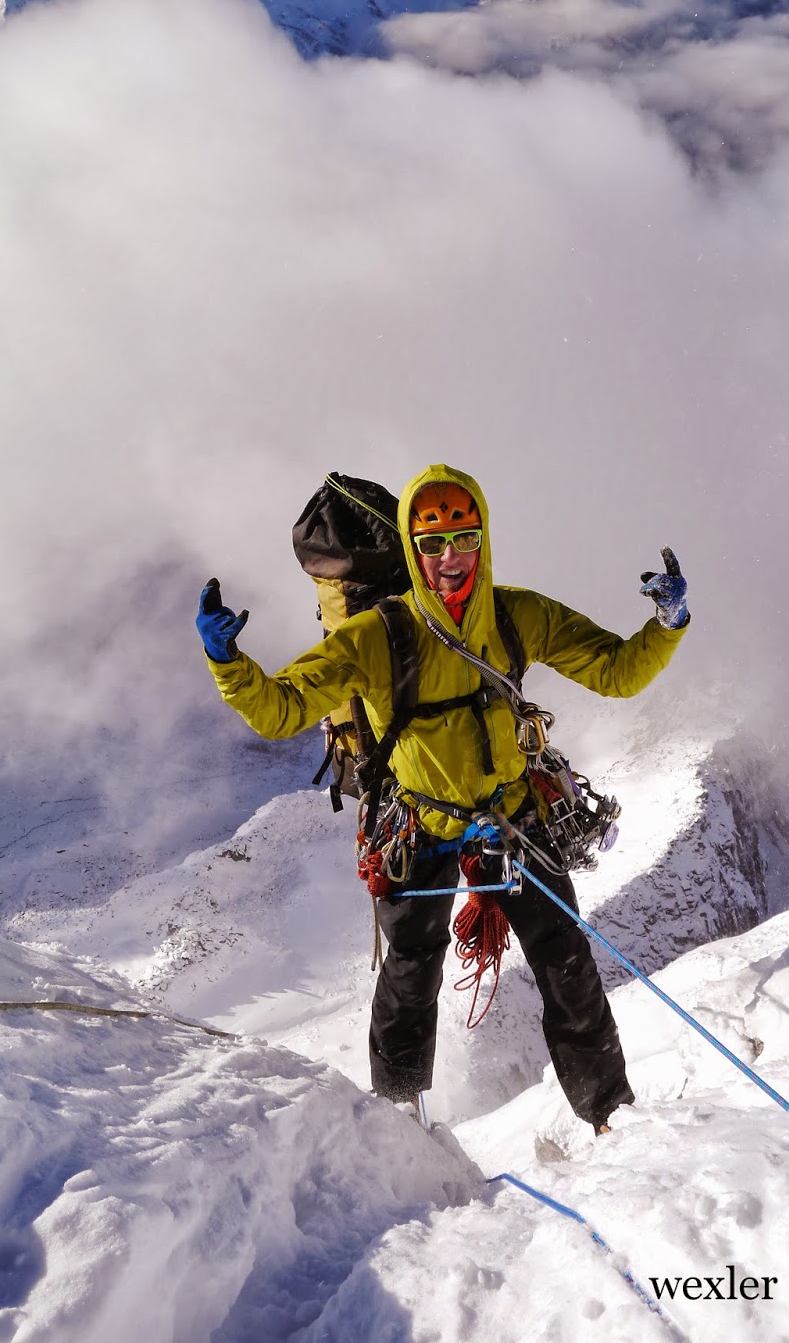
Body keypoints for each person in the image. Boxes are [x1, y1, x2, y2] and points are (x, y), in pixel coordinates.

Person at [196, 463, 689, 1133]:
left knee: (564, 962)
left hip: (511, 815)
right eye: (431, 546)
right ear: (411, 551)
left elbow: (615, 671)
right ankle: (398, 1118)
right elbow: (282, 709)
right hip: (418, 818)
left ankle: (608, 1116)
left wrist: (666, 621)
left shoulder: (519, 613)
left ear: (483, 538)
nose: (450, 558)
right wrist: (229, 664)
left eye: (463, 538)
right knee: (410, 970)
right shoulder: (374, 635)